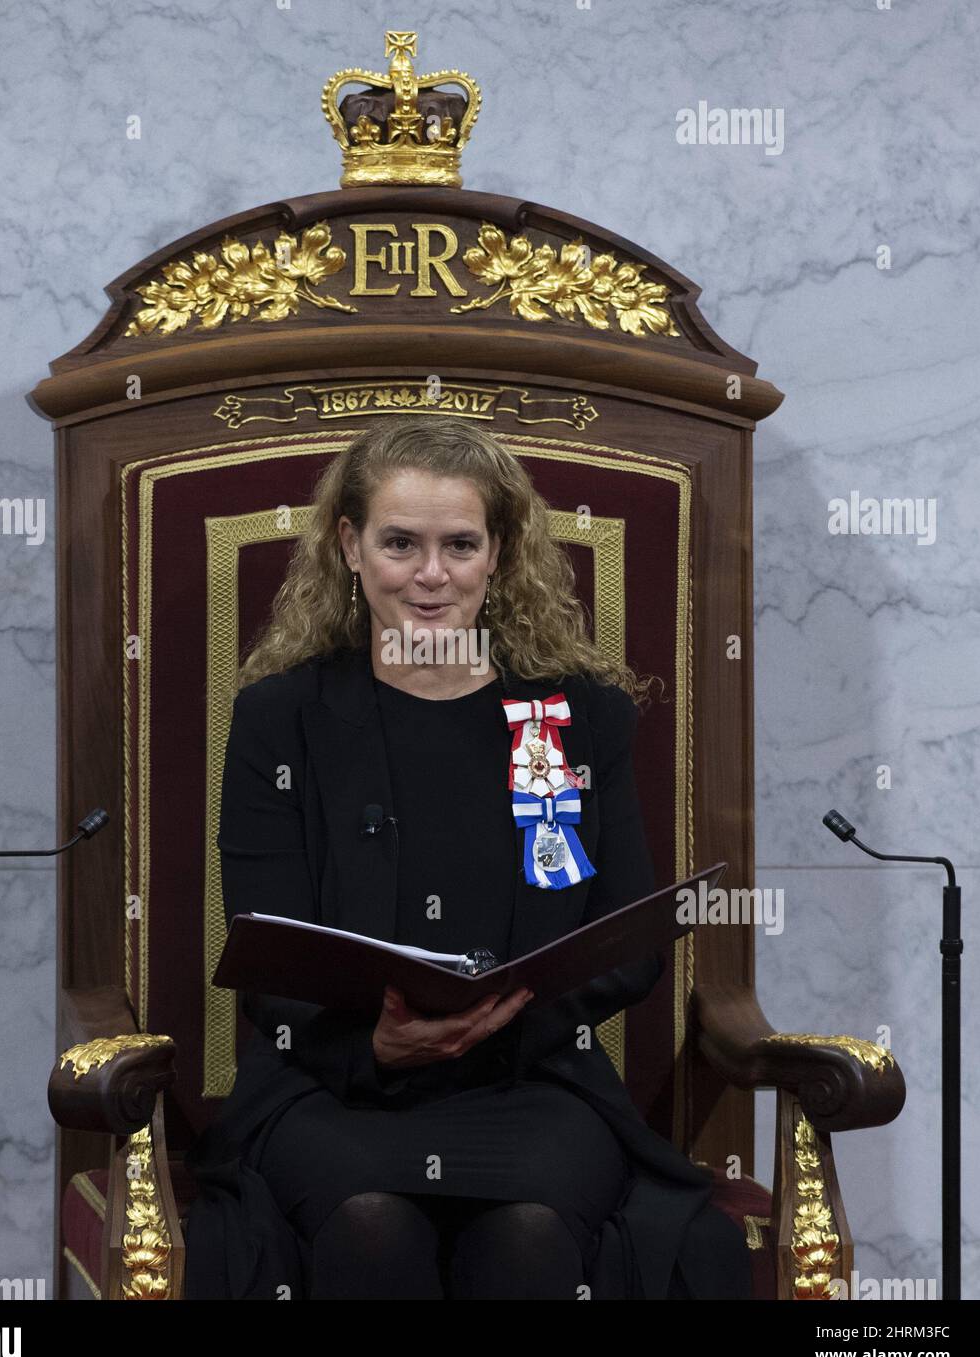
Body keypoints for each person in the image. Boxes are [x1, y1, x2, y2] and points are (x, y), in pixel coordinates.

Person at [183, 415, 752, 1299]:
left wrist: (497, 1016)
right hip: (333, 1084)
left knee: (525, 1231)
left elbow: (629, 936)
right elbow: (265, 945)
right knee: (371, 1221)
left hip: (535, 1081)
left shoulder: (577, 715)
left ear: (499, 554)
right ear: (350, 545)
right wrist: (375, 1043)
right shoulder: (280, 717)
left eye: (460, 544)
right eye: (400, 543)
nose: (431, 574)